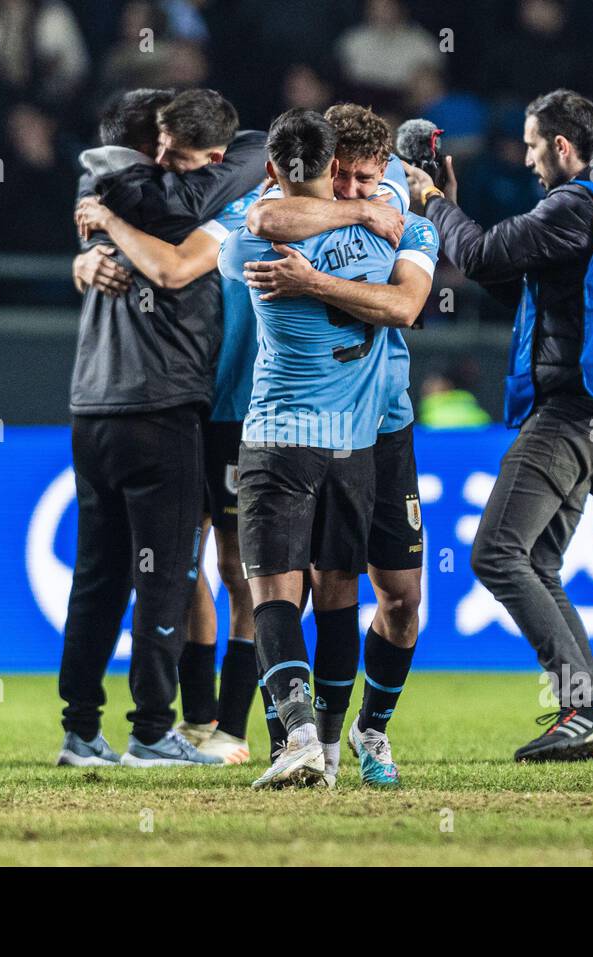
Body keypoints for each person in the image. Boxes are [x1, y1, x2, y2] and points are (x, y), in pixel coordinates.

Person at [404, 88, 593, 762]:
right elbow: (517, 279)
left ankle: (586, 706)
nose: (526, 160)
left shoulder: (573, 202)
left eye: (530, 146)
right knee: (540, 562)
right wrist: (450, 210)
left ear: (560, 146)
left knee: (495, 553)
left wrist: (435, 204)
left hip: (569, 414)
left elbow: (487, 254)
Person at [219, 108, 432, 790]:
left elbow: (402, 306)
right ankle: (316, 743)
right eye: (346, 176)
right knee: (331, 588)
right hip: (350, 437)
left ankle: (339, 733)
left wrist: (312, 278)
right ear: (329, 166)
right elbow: (274, 220)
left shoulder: (383, 207)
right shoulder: (381, 217)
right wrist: (362, 217)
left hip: (361, 427)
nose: (359, 188)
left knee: (388, 597)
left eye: (371, 180)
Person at [56, 88, 265, 769]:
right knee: (166, 573)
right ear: (154, 145)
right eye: (167, 146)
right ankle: (153, 729)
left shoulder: (106, 193)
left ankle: (80, 730)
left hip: (91, 407)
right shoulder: (175, 199)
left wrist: (92, 246)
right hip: (163, 407)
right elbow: (176, 268)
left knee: (98, 575)